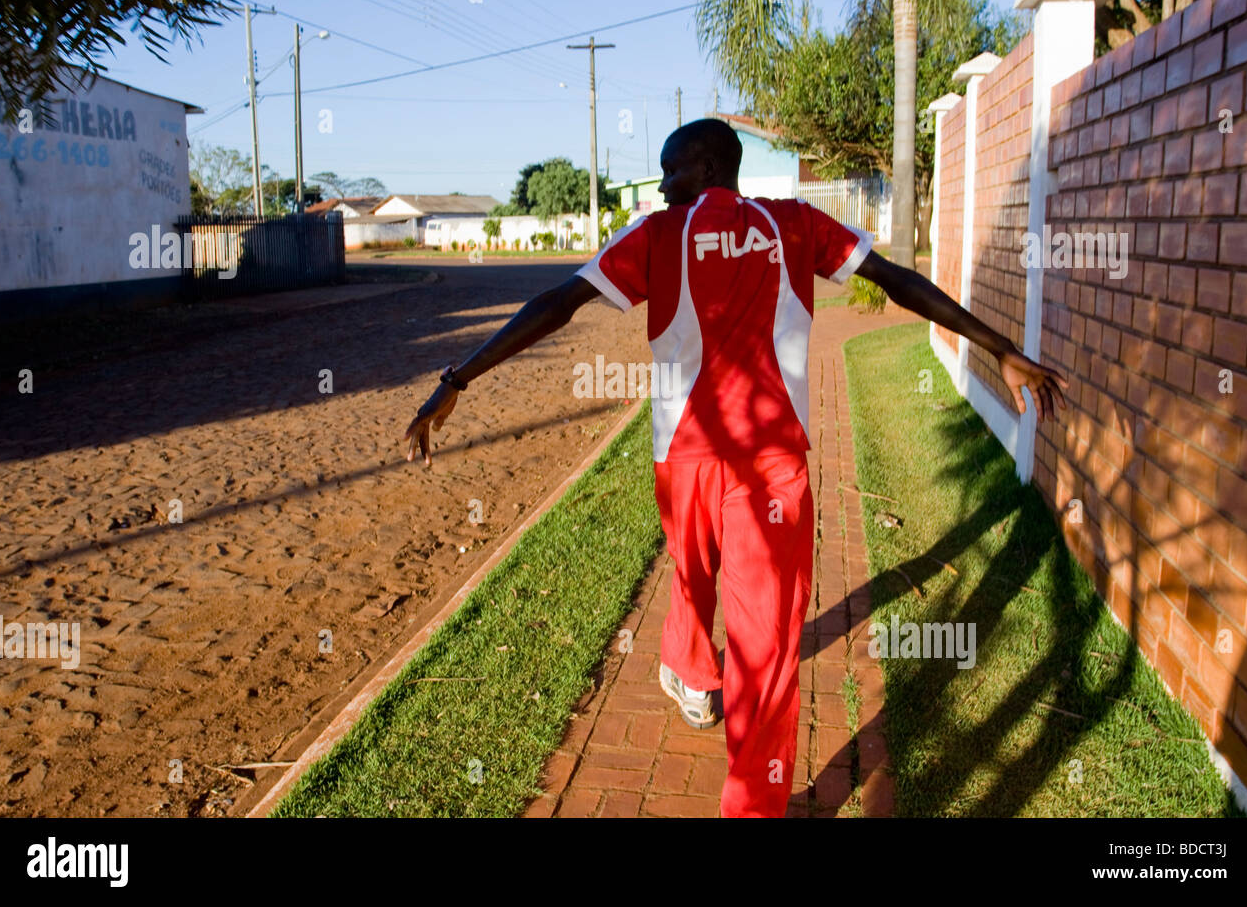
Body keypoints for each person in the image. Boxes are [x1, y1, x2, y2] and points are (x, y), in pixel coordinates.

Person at [404, 118, 1067, 817]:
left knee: (693, 574)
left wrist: (457, 378)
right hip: (772, 469)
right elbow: (897, 280)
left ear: (706, 167)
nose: (660, 189)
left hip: (683, 461)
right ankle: (735, 764)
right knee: (766, 649)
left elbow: (558, 304)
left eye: (669, 174)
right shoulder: (795, 224)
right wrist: (997, 345)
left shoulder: (659, 234)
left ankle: (691, 673)